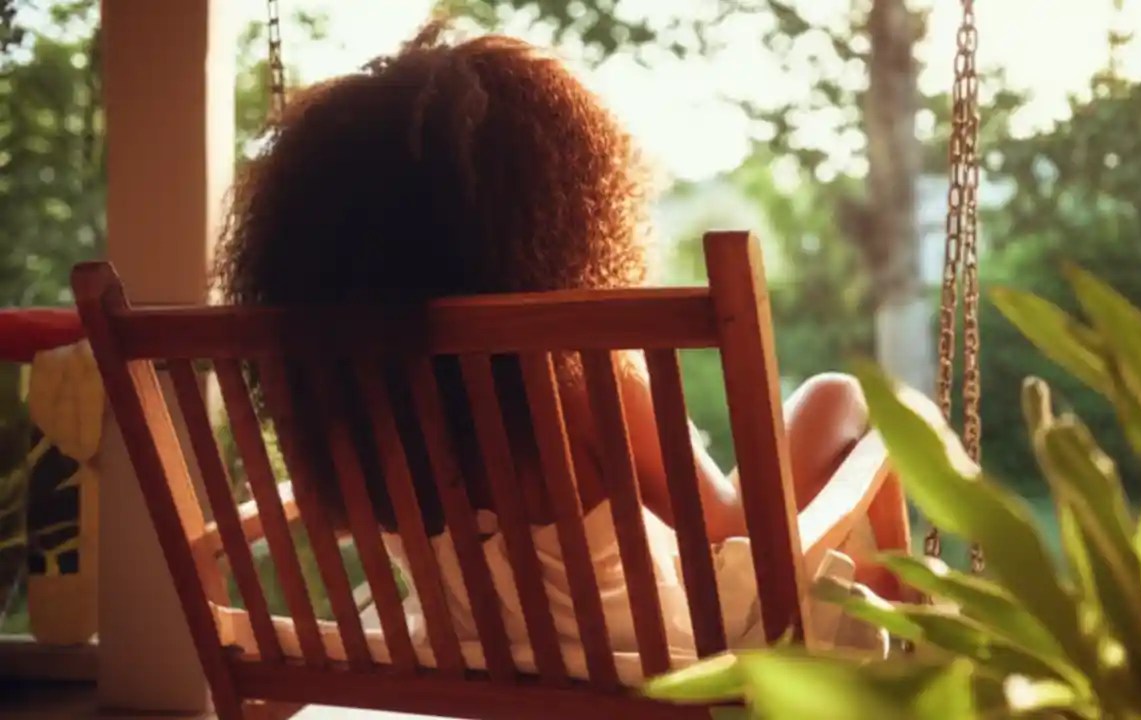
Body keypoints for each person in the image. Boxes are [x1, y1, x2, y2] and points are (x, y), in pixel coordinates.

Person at [214, 21, 905, 680]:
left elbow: (333, 522)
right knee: (837, 397)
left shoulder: (341, 393)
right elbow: (724, 530)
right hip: (663, 657)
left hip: (473, 656)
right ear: (562, 210)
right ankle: (917, 638)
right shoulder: (581, 373)